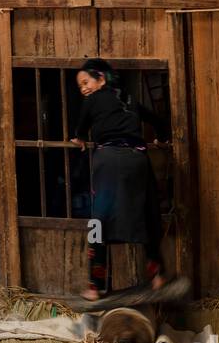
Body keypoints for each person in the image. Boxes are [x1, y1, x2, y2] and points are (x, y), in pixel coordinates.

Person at [70, 58, 167, 303]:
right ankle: (158, 276)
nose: (83, 89)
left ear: (101, 78)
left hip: (109, 160)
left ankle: (95, 286)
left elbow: (80, 127)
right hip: (138, 160)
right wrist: (160, 138)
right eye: (80, 86)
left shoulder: (93, 100)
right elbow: (157, 121)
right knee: (148, 214)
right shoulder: (130, 99)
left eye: (86, 82)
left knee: (98, 221)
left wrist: (79, 138)